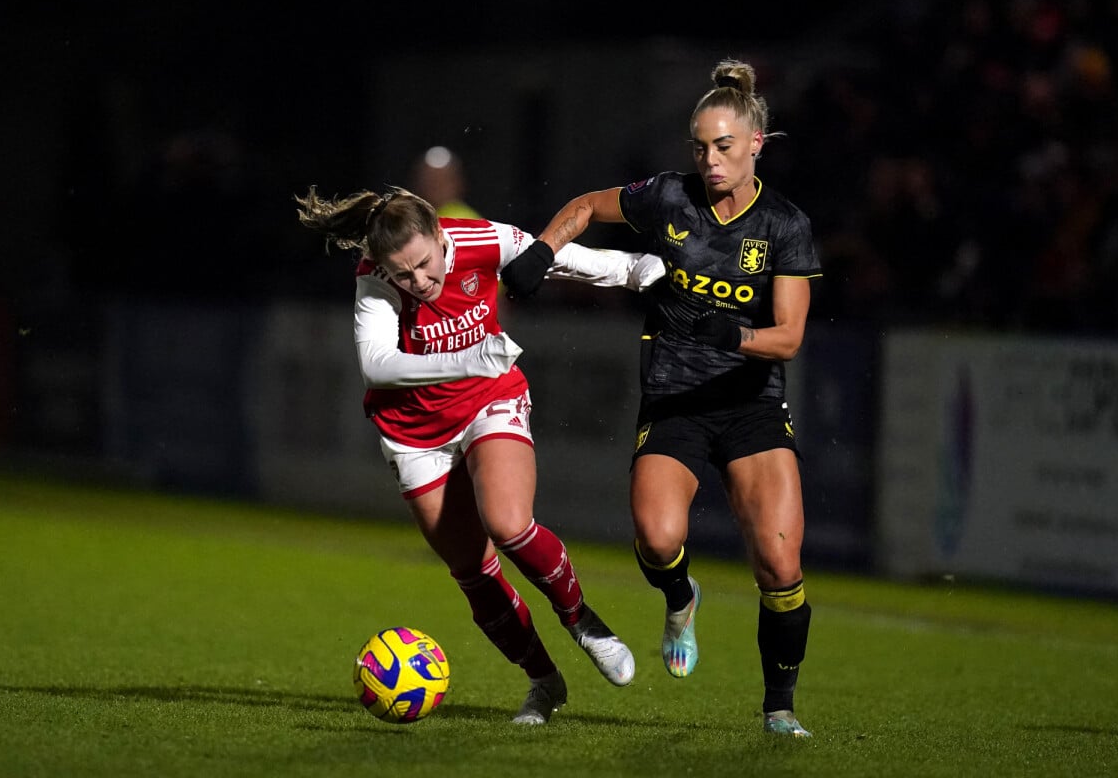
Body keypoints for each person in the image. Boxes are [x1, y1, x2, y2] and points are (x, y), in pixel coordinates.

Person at [500, 58, 822, 736]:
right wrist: (541, 250)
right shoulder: (669, 197)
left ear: (755, 145)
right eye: (700, 147)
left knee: (780, 559)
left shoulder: (785, 226)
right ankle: (682, 599)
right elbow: (588, 205)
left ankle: (779, 710)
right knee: (656, 539)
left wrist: (729, 334)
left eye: (724, 146)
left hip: (751, 405)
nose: (710, 160)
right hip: (675, 400)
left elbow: (788, 337)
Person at [296, 185, 664, 724]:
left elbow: (555, 257)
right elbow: (377, 364)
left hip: (488, 400)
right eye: (403, 275)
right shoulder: (373, 279)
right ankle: (543, 683)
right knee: (471, 568)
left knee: (509, 524)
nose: (418, 282)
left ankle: (582, 620)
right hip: (413, 431)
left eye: (423, 264)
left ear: (442, 237)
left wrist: (635, 268)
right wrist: (470, 357)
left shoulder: (480, 239)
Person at [409, 145, 481, 219]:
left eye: (442, 182)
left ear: (458, 184)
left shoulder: (469, 222)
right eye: (430, 181)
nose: (435, 188)